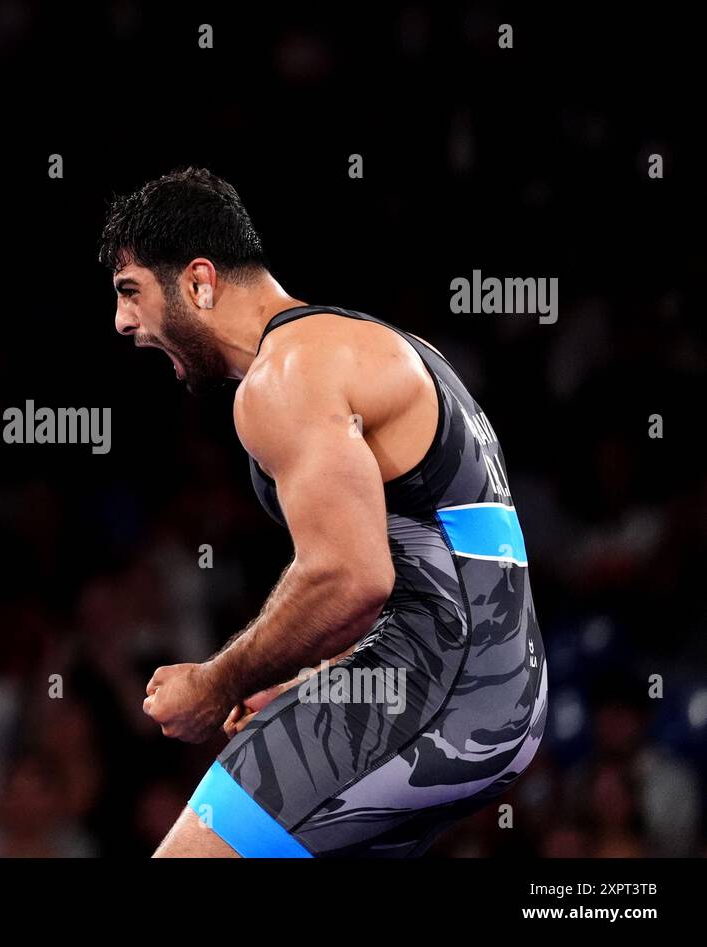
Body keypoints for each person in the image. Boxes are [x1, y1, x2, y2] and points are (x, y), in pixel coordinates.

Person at [100, 167, 547, 857]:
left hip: (439, 691)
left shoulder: (288, 375)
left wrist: (217, 683)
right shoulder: (359, 345)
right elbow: (430, 563)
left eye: (132, 293)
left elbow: (350, 577)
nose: (123, 322)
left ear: (198, 280)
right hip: (488, 690)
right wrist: (311, 672)